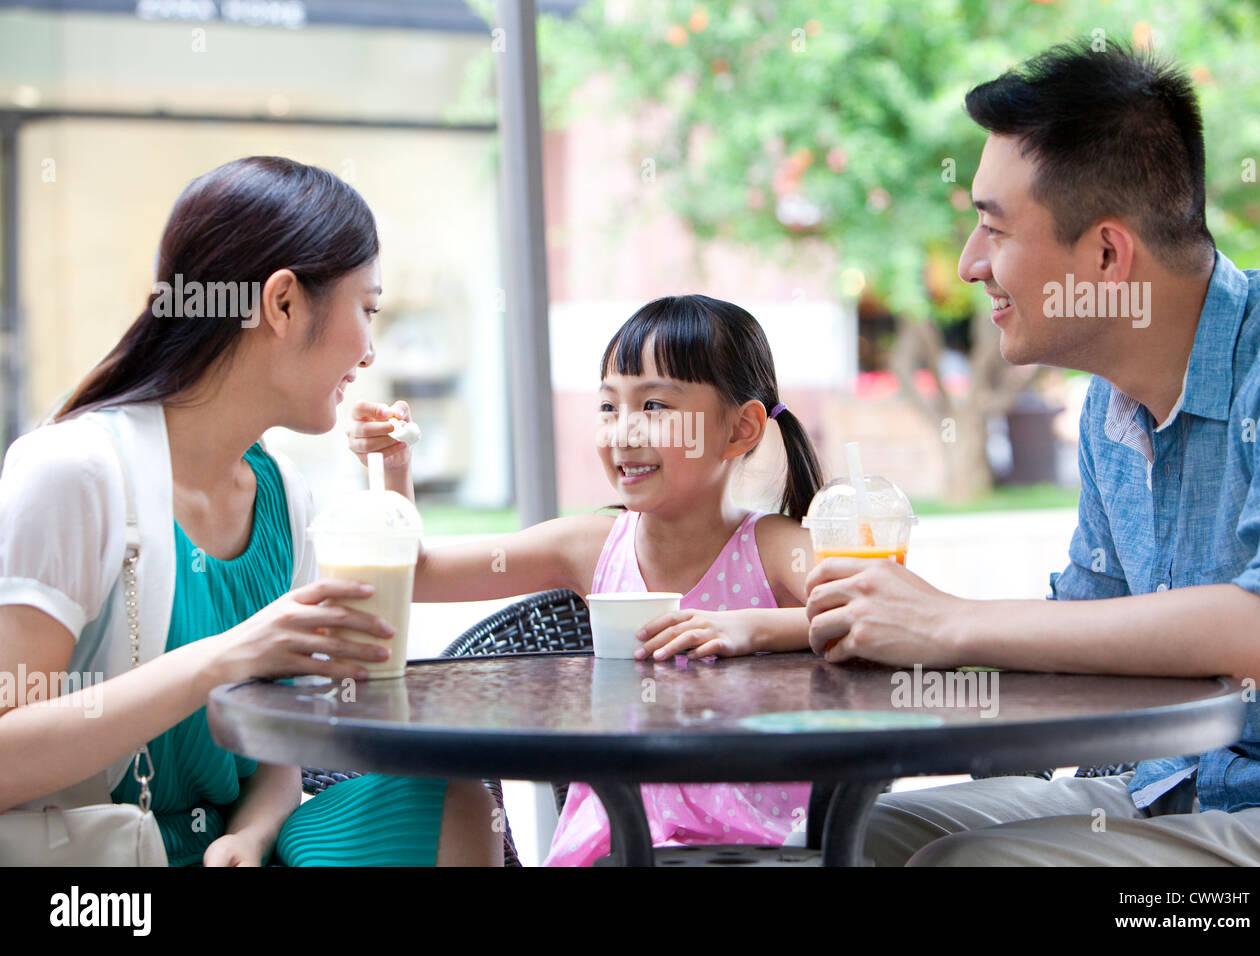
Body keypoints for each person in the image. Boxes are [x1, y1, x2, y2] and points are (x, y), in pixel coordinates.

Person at [805, 39, 1260, 865]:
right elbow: (1083, 630)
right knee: (861, 835)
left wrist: (951, 623)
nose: (969, 265)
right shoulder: (1117, 399)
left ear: (1107, 255)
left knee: (971, 867)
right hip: (1166, 788)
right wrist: (825, 625)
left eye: (992, 228)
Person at [0, 156, 501, 866]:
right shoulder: (73, 473)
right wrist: (220, 661)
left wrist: (252, 835)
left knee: (454, 802)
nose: (368, 348)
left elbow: (279, 755)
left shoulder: (284, 498)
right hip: (96, 870)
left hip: (236, 855)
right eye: (367, 308)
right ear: (284, 304)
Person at [350, 294, 823, 865]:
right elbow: (416, 575)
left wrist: (748, 628)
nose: (622, 431)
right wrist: (395, 469)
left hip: (752, 846)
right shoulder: (590, 545)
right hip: (610, 843)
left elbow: (876, 609)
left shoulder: (772, 549)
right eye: (607, 407)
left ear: (740, 428)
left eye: (653, 405)